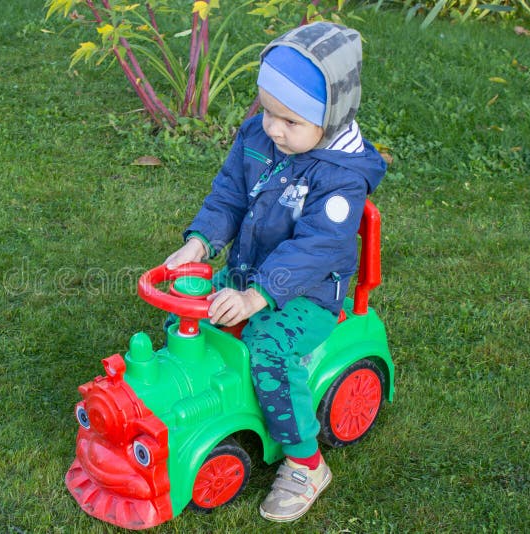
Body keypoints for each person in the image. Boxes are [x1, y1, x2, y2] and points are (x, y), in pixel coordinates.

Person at [163, 22, 386, 522]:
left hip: (307, 295)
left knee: (266, 346)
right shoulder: (258, 140)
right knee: (187, 317)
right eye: (266, 111)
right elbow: (227, 197)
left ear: (329, 119)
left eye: (289, 120)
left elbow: (316, 249)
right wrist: (199, 243)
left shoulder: (340, 179)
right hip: (246, 273)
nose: (272, 128)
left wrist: (258, 296)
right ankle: (191, 404)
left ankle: (306, 462)